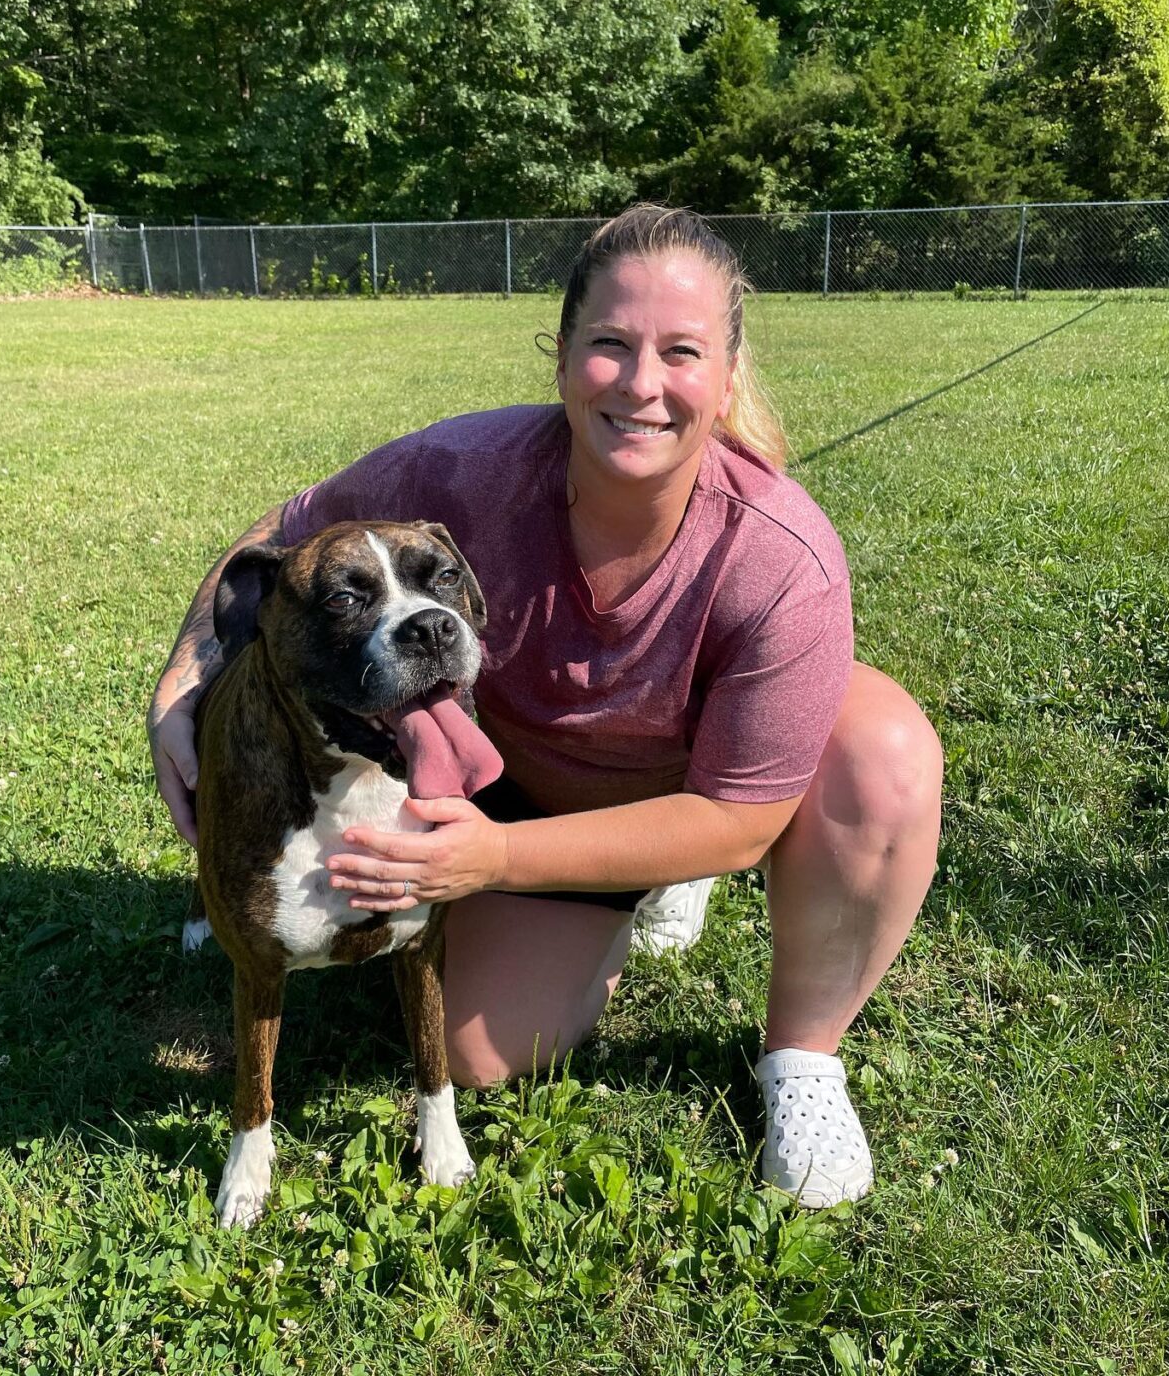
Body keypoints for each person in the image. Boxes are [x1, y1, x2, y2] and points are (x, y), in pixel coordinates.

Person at [148, 205, 942, 1208]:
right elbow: (285, 531)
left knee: (881, 751)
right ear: (562, 359)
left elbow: (741, 820)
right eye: (609, 345)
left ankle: (800, 1058)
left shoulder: (779, 558)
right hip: (502, 780)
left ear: (726, 375)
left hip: (675, 796)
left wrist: (497, 862)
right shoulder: (466, 471)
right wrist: (181, 678)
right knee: (480, 1052)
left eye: (680, 352)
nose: (641, 383)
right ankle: (604, 900)